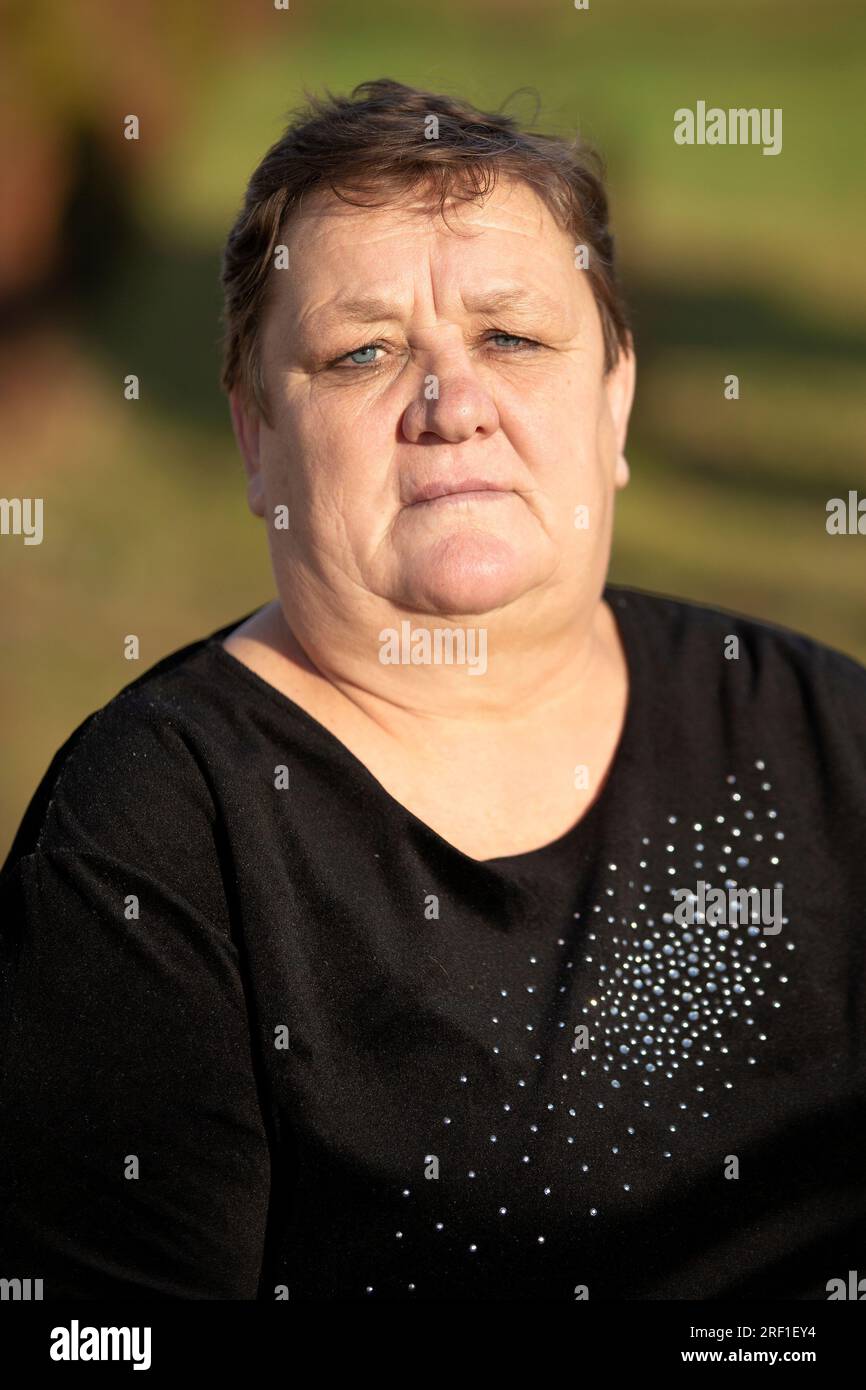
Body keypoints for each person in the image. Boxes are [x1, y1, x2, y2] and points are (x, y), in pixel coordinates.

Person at [1, 78, 864, 1301]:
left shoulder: (823, 739)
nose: (452, 406)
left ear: (614, 397)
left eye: (511, 338)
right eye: (362, 353)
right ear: (255, 439)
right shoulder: (151, 837)